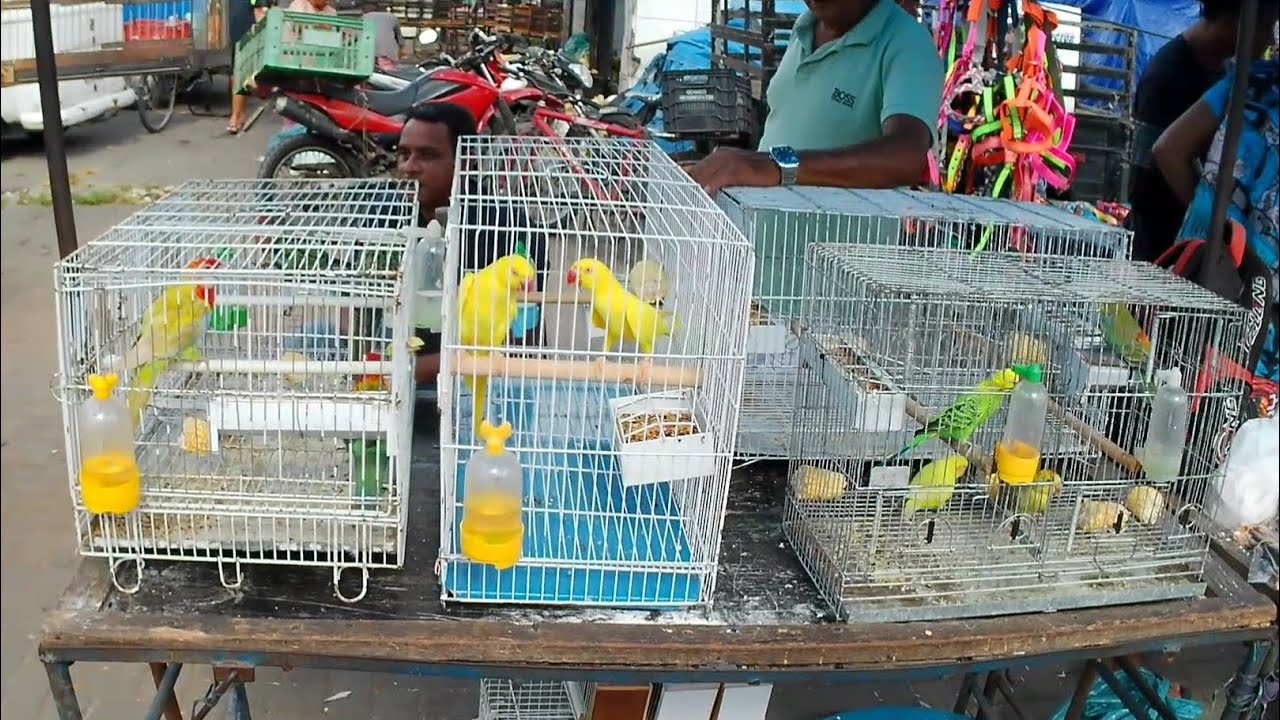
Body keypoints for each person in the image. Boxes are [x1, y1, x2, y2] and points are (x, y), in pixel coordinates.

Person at [687, 0, 942, 195]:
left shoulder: (908, 42)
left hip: (836, 257)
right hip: (766, 244)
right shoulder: (805, 28)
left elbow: (906, 156)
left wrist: (776, 166)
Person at [1153, 32, 1279, 383]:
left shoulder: (1252, 79)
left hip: (1196, 281)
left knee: (1164, 390)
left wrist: (1213, 217)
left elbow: (1169, 149)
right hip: (1258, 333)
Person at [393, 103, 548, 386]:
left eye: (427, 155)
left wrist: (415, 369)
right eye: (403, 154)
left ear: (466, 161)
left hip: (486, 391)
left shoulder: (512, 231)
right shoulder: (389, 220)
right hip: (397, 391)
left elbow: (522, 342)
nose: (409, 167)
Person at [1126, 0, 1269, 262]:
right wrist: (1214, 223)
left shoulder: (1223, 69)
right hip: (1163, 240)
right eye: (1266, 27)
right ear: (1237, 22)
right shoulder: (1169, 75)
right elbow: (1163, 158)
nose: (1270, 39)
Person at [227, 0, 274, 134]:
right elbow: (261, 10)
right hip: (240, 30)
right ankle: (238, 115)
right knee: (238, 73)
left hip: (242, 30)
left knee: (239, 72)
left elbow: (260, 9)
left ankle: (236, 115)